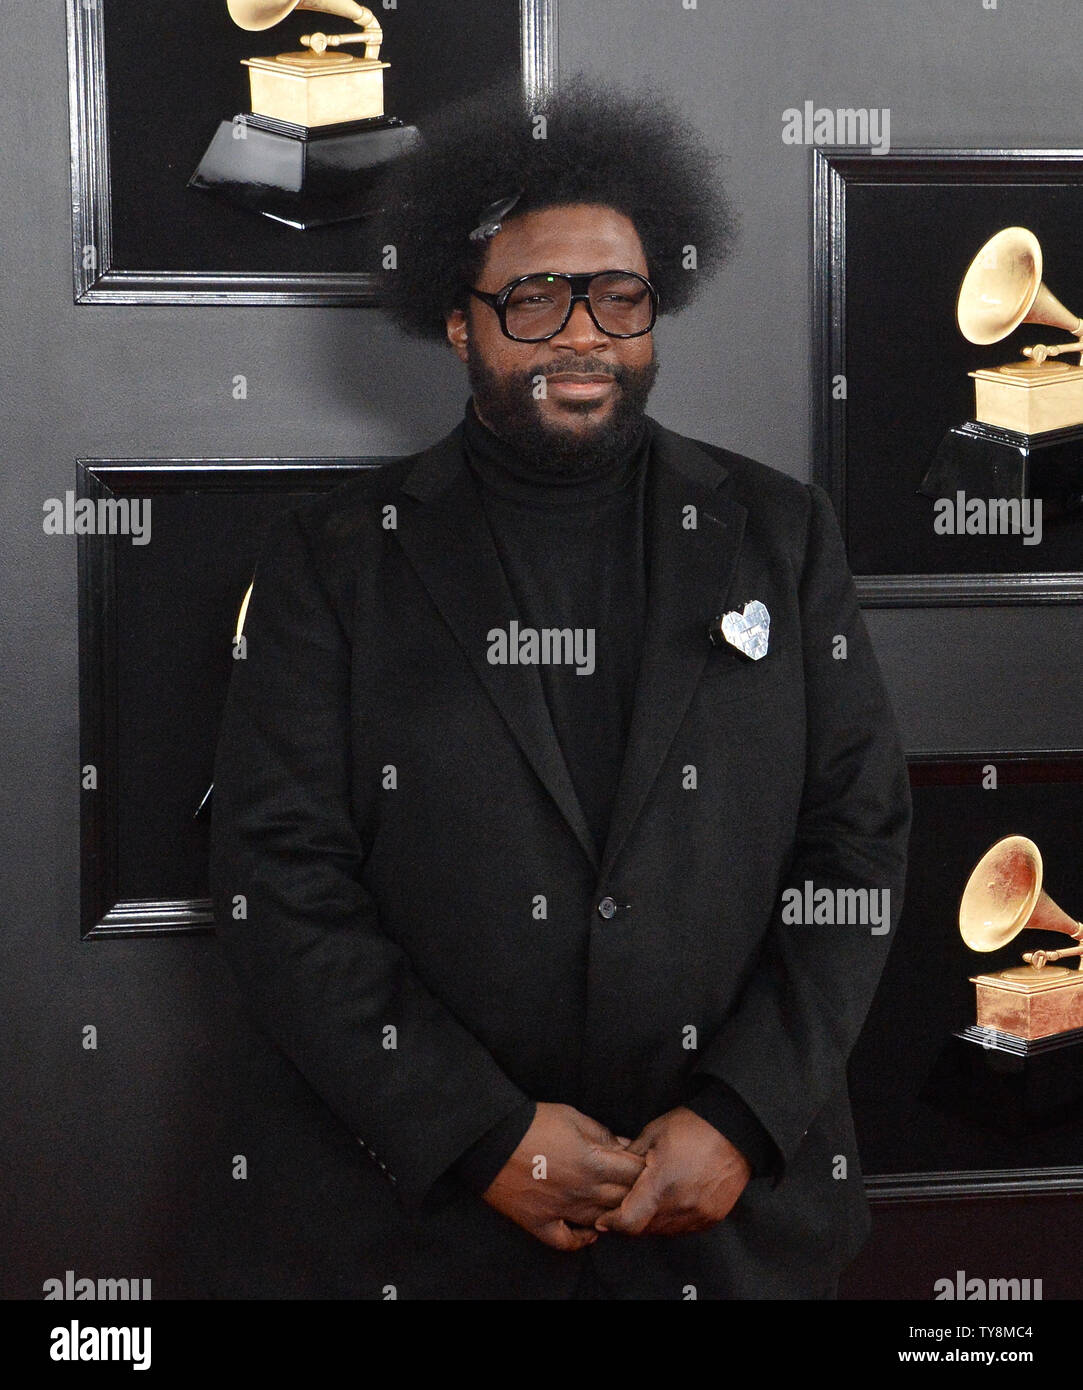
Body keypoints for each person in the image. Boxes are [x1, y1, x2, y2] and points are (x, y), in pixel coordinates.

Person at [209, 76, 912, 1300]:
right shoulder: (334, 557)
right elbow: (279, 877)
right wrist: (483, 1135)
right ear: (457, 322)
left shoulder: (780, 534)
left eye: (619, 297)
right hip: (429, 1235)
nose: (582, 334)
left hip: (738, 1233)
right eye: (533, 298)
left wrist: (746, 1112)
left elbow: (857, 839)